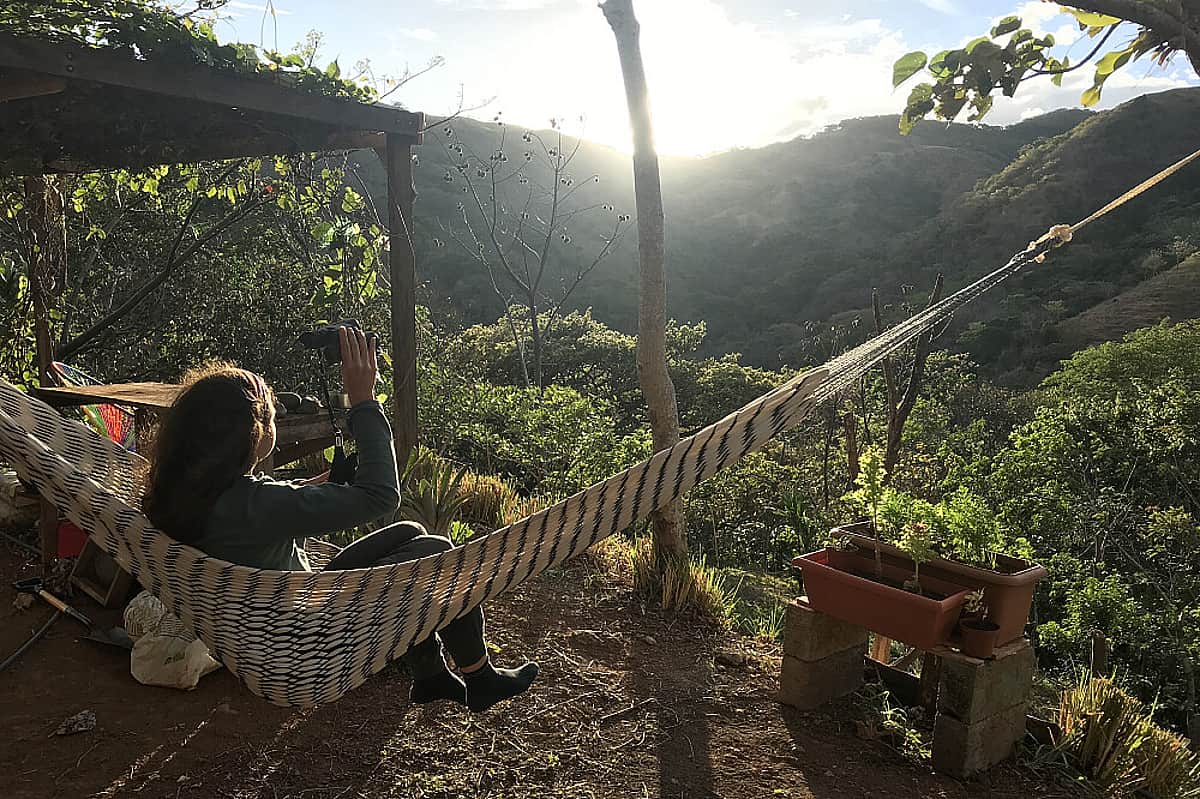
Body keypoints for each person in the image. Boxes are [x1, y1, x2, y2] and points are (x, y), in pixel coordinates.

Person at [143, 326, 537, 712]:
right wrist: (363, 400)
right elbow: (382, 496)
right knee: (436, 553)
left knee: (410, 532)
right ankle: (480, 677)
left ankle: (432, 676)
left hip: (270, 624)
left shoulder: (181, 493)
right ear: (251, 433)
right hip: (310, 635)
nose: (276, 416)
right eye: (271, 410)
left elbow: (261, 504)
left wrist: (324, 484)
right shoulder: (256, 504)